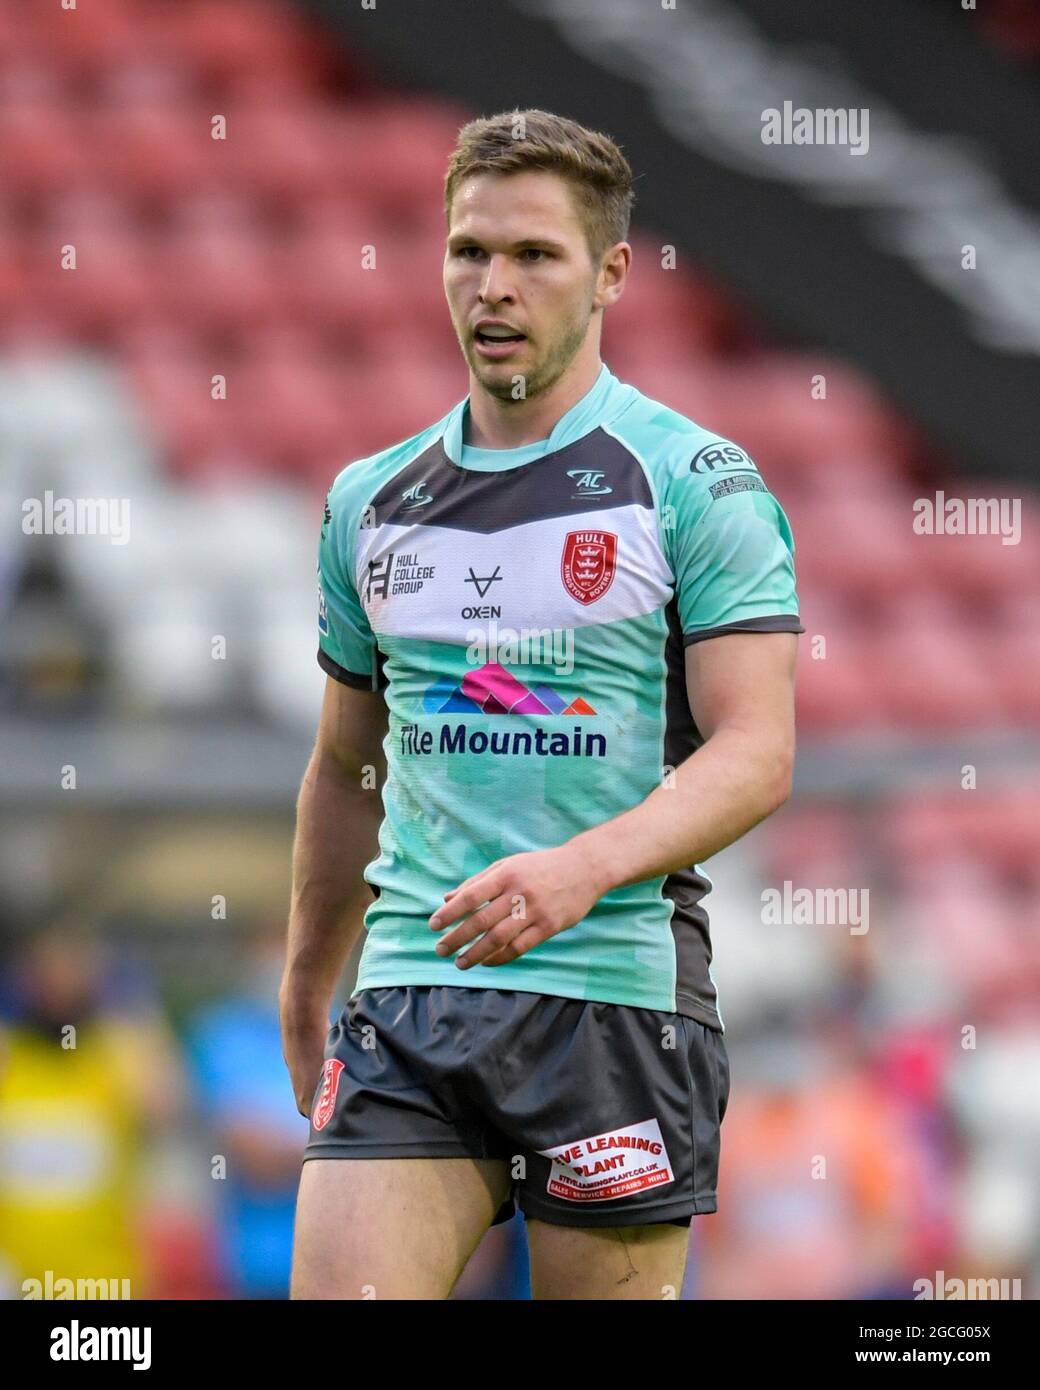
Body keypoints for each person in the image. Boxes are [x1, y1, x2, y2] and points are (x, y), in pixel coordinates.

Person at [281, 108, 803, 1300]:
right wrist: (312, 973)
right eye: (469, 251)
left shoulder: (691, 484)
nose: (492, 286)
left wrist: (577, 870)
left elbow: (756, 750)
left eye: (533, 256)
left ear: (609, 271)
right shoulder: (371, 500)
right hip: (411, 992)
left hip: (612, 1001)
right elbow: (343, 766)